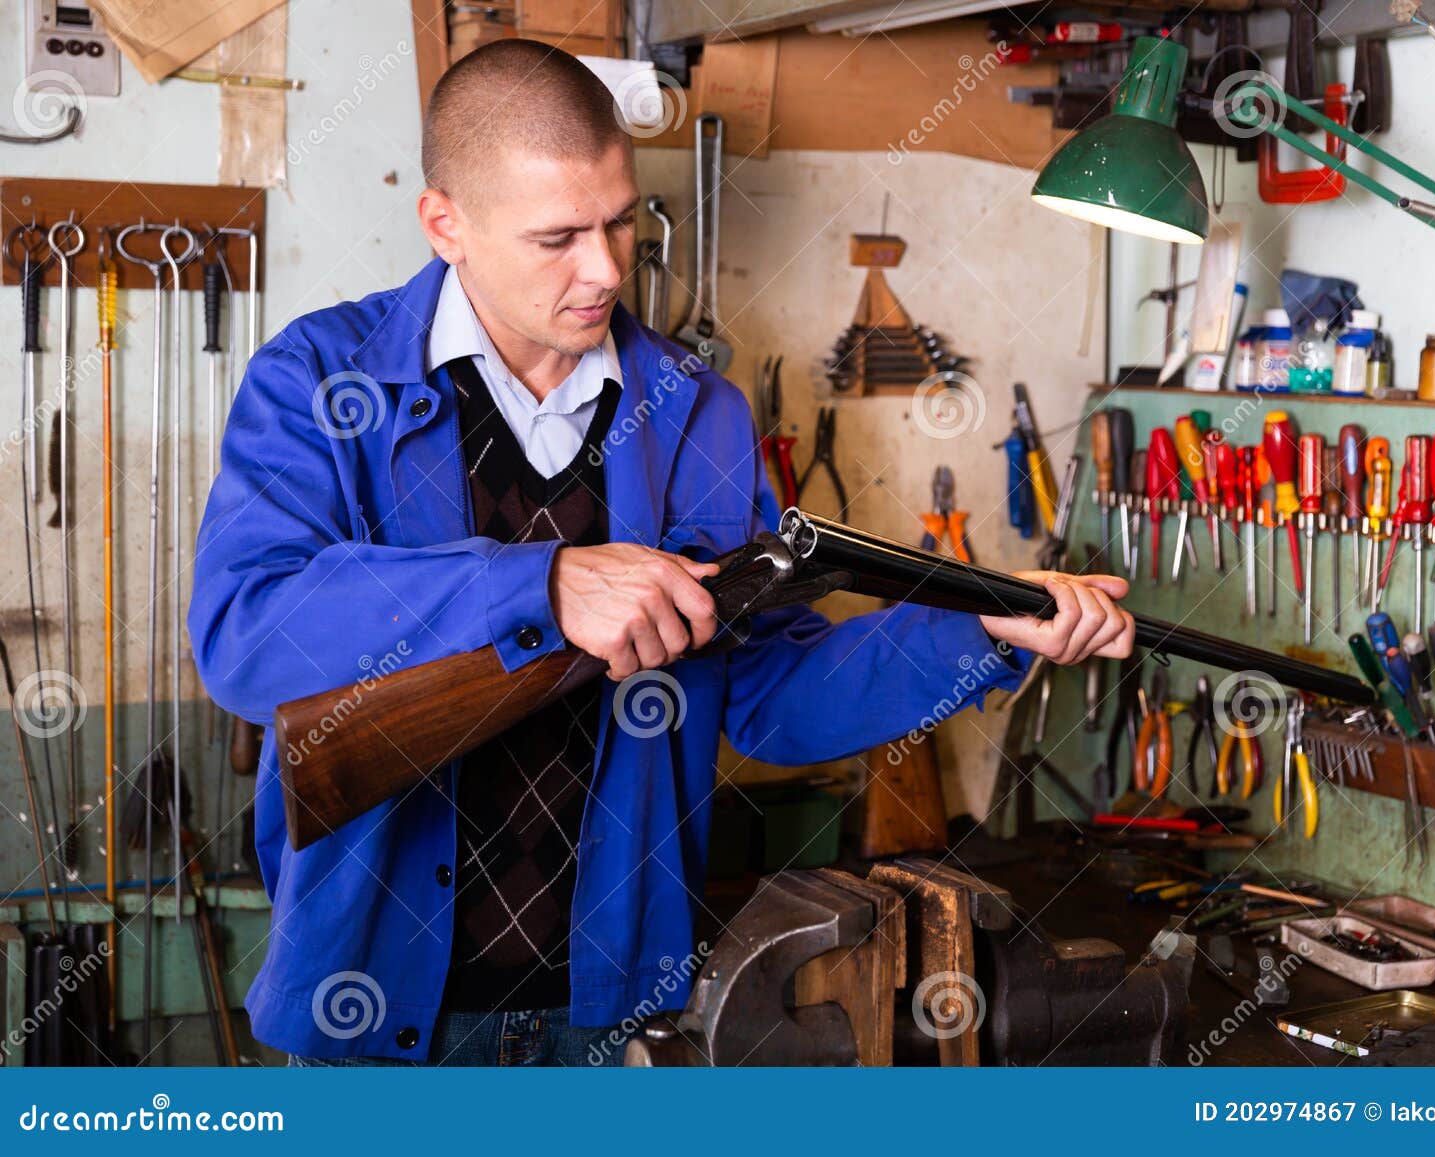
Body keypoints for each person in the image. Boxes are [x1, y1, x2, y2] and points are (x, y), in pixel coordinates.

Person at [188, 39, 1135, 1067]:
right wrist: (543, 582)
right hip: (368, 1014)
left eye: (618, 221)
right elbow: (246, 633)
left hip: (606, 1008)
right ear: (444, 223)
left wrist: (976, 630)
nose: (605, 269)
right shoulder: (321, 380)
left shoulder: (697, 413)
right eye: (558, 237)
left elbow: (767, 694)